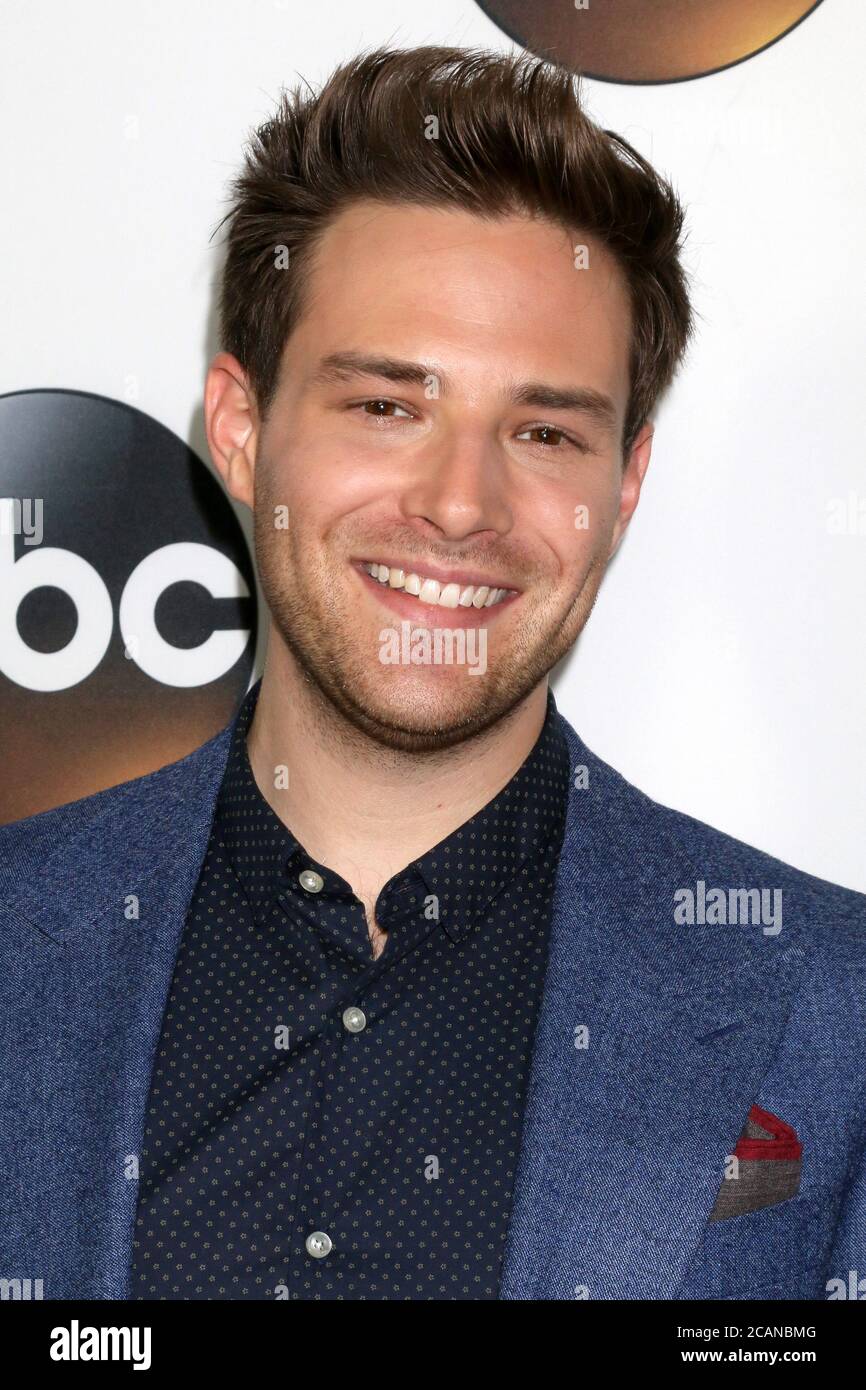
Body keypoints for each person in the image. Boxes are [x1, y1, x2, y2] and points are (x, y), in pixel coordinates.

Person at [1, 45, 863, 1302]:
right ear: (241, 432)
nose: (461, 504)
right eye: (385, 408)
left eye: (542, 432)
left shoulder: (828, 1008)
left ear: (621, 487)